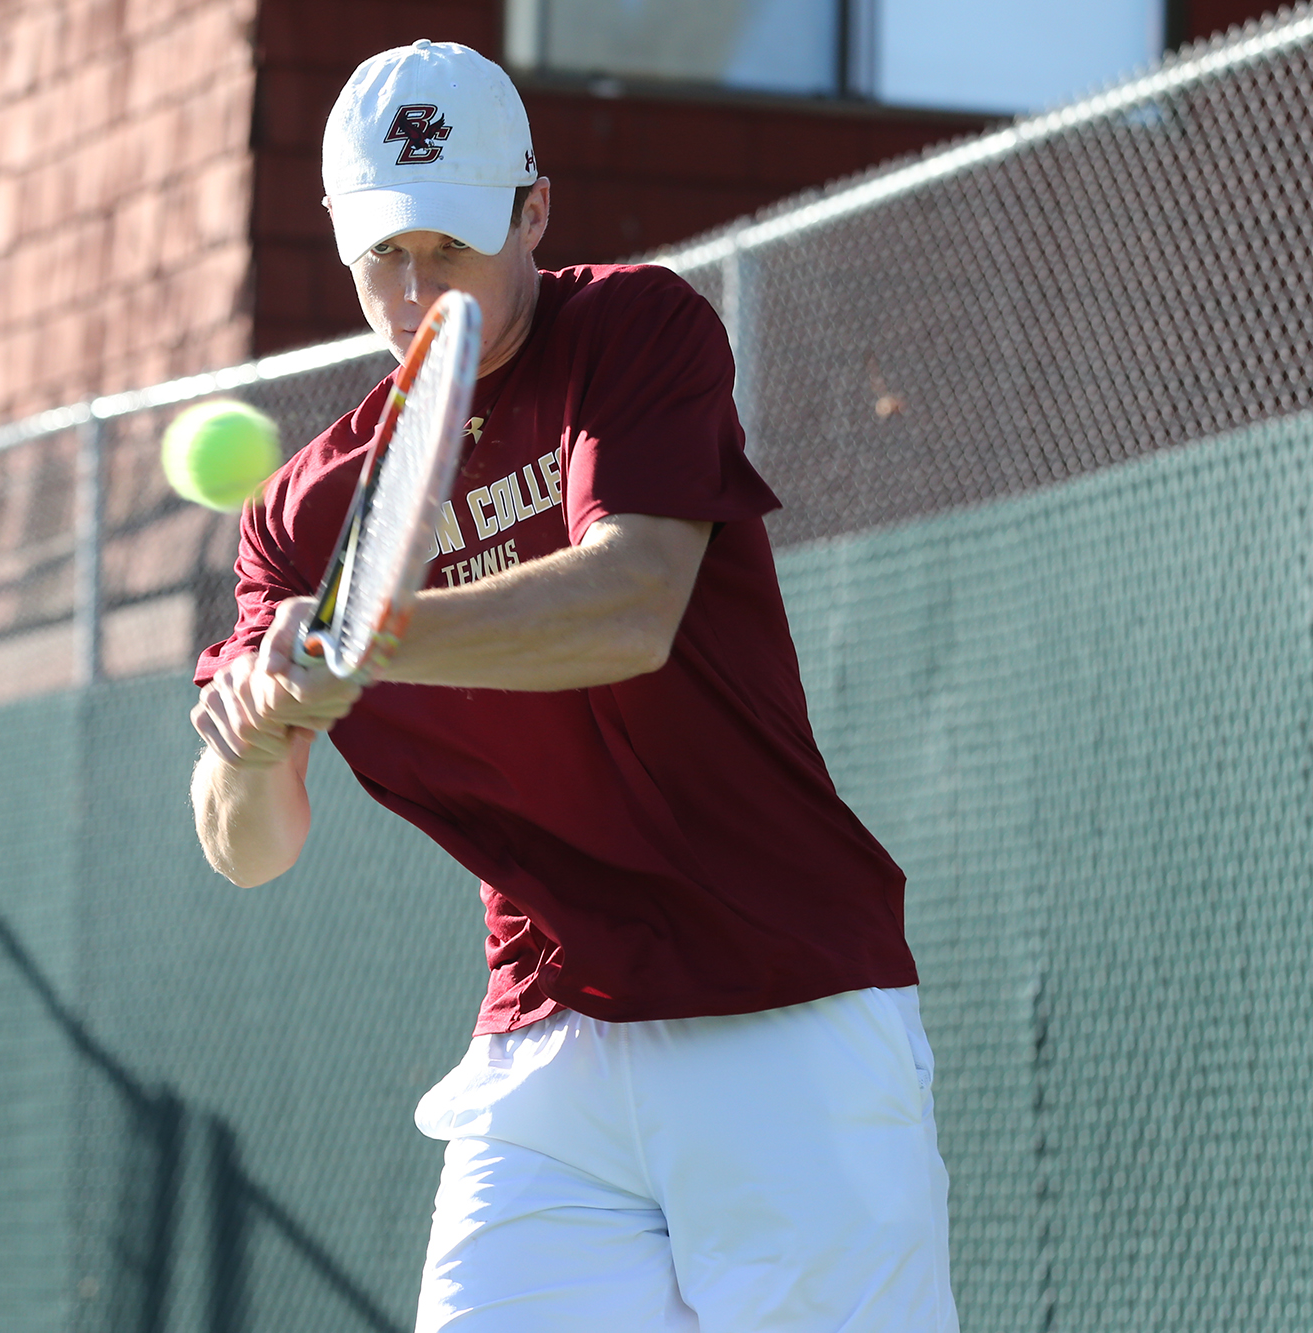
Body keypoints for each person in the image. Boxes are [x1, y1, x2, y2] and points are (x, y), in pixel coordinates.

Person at [189, 38, 957, 1333]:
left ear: (534, 211)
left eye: (454, 243)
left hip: (786, 1004)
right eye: (387, 251)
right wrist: (261, 736)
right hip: (543, 1050)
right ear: (336, 238)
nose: (422, 283)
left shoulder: (637, 329)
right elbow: (247, 848)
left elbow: (630, 602)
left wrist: (368, 638)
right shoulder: (299, 516)